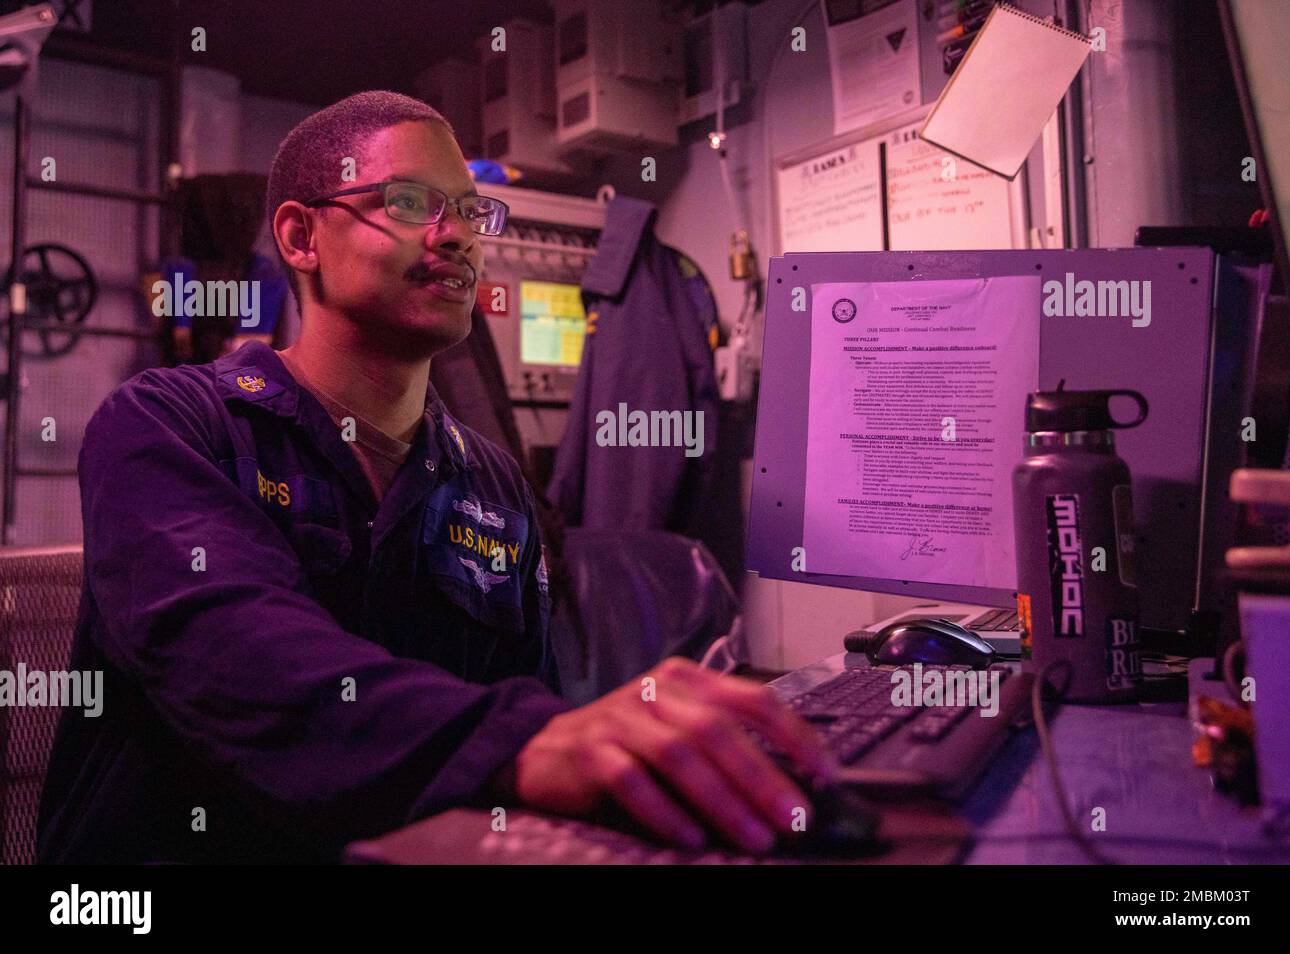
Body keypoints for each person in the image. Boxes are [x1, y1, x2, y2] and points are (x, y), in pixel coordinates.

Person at [36, 91, 833, 864]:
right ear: (301, 236)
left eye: (472, 211)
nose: (456, 238)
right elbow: (236, 660)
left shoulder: (489, 481)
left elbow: (523, 706)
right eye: (411, 201)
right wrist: (528, 742)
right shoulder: (167, 427)